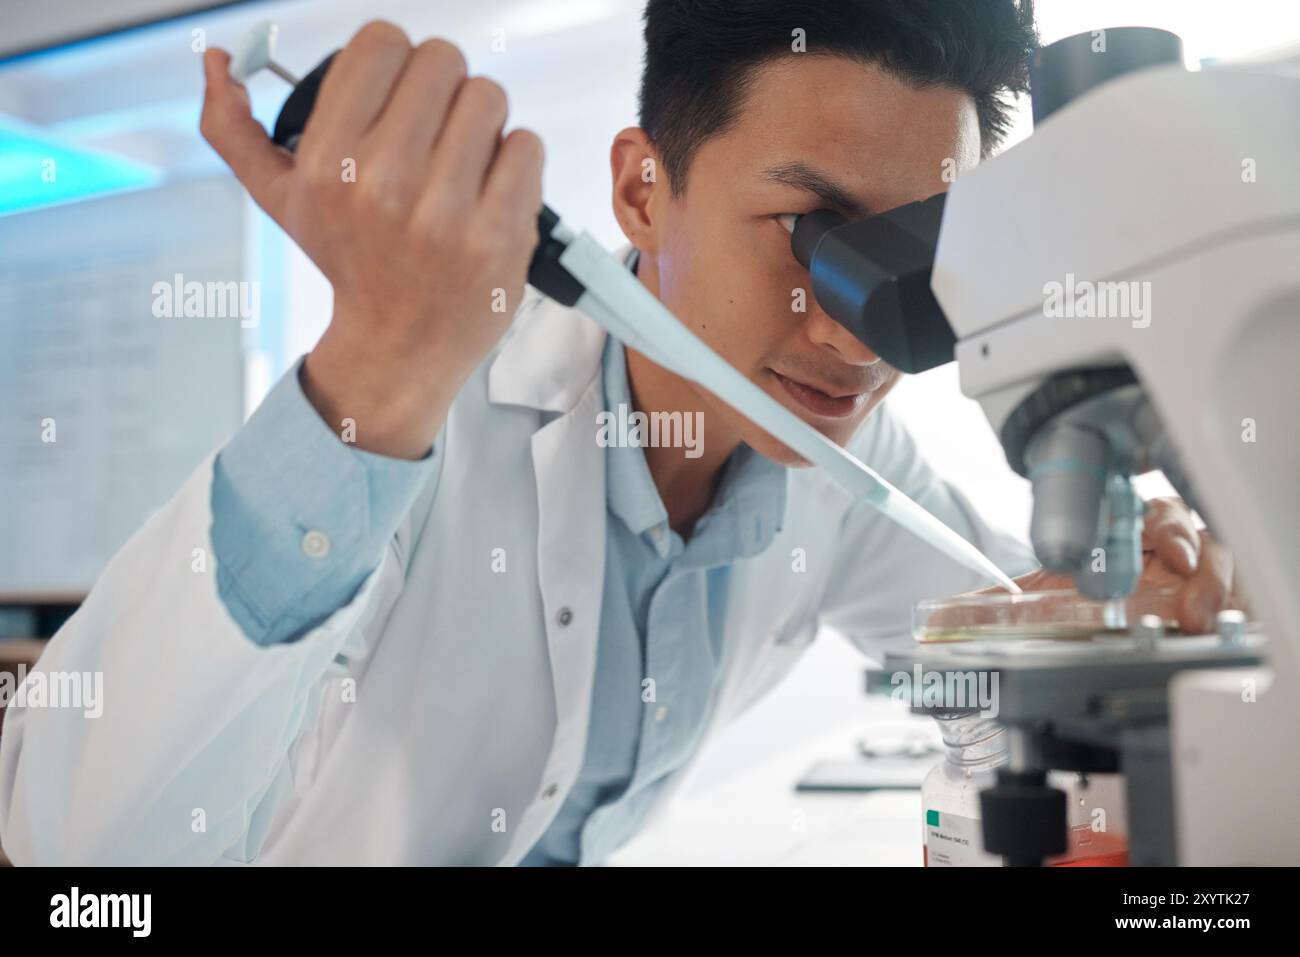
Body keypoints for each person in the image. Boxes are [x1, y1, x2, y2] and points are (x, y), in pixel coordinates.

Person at [0, 0, 1237, 866]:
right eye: (812, 232)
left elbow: (987, 630)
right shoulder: (412, 424)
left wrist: (1115, 613)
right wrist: (375, 373)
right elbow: (78, 855)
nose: (861, 338)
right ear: (643, 189)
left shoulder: (838, 465)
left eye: (917, 255)